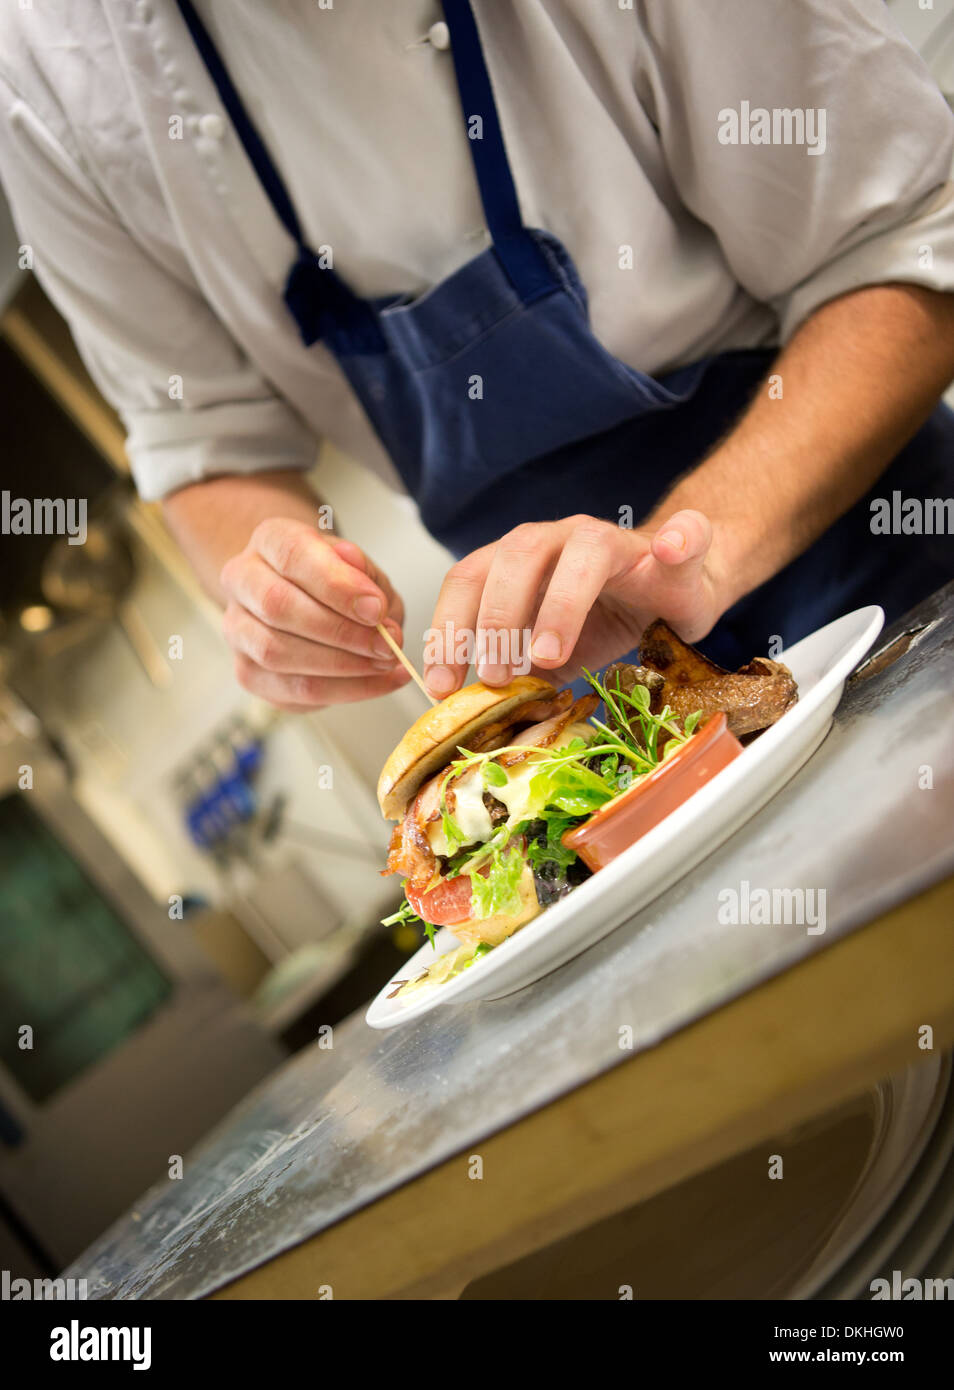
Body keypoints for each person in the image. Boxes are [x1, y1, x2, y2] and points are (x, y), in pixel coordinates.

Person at [2, 1, 953, 712]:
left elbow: (905, 240)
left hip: (902, 586)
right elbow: (202, 440)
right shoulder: (41, 64)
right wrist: (273, 582)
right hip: (587, 687)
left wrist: (692, 554)